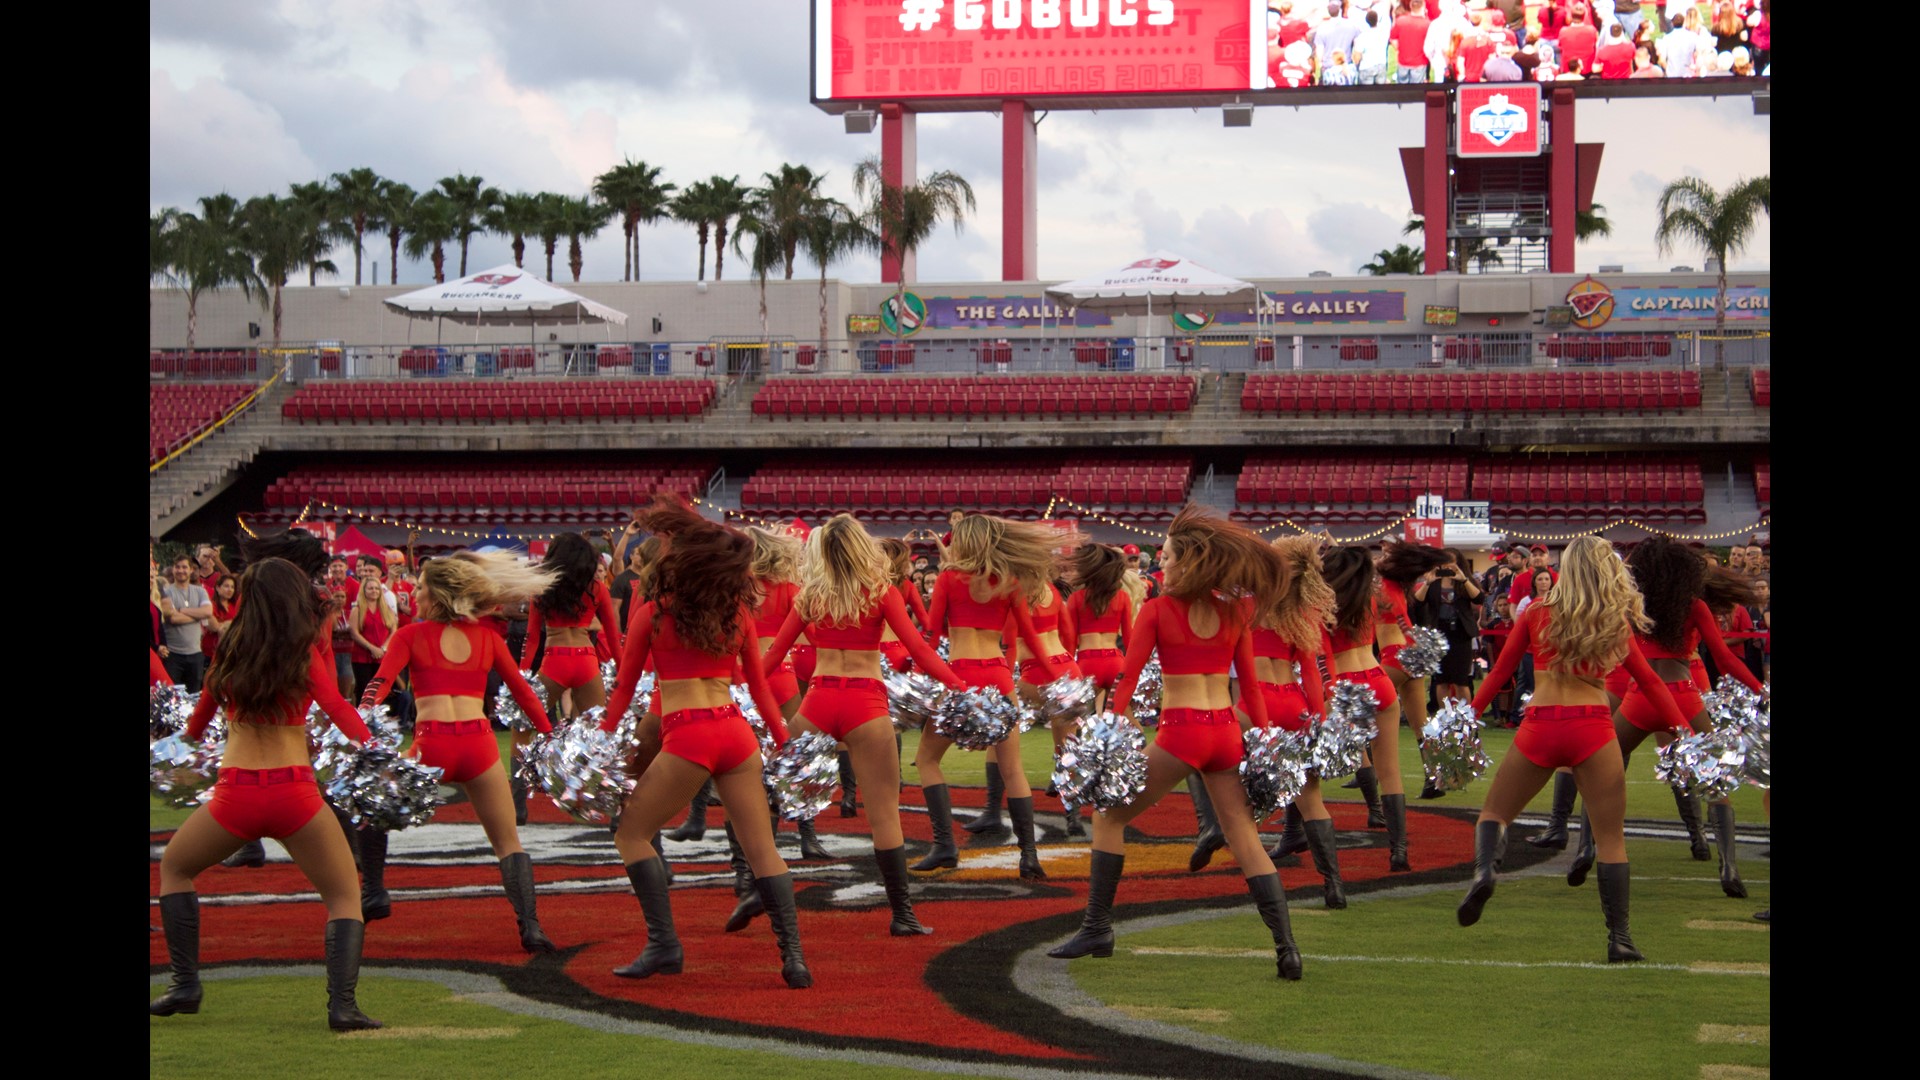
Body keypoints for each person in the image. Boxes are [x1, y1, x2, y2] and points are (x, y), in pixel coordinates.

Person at [1047, 507, 1305, 980]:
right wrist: (1265, 739)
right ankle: (1287, 948)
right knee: (1247, 840)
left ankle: (1097, 928)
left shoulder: (1157, 610)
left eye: (1165, 557)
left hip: (1183, 732)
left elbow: (1127, 679)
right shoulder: (1235, 612)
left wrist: (1110, 727)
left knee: (1108, 817)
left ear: (1187, 563)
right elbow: (1250, 688)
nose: (1160, 564)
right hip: (1226, 732)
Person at [151, 558, 382, 1030]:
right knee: (343, 897)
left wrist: (172, 749)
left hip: (235, 795)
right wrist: (376, 749)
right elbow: (337, 707)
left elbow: (197, 725)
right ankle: (342, 1006)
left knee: (175, 868)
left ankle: (185, 984)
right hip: (294, 794)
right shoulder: (302, 651)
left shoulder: (230, 649)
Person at [597, 496, 811, 987]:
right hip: (736, 734)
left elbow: (625, 689)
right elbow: (759, 689)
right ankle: (795, 960)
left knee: (630, 834)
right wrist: (784, 742)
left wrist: (603, 738)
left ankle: (664, 945)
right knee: (764, 851)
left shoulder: (652, 613)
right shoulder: (737, 614)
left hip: (689, 736)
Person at [1457, 536, 1687, 962]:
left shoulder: (1536, 611)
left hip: (1541, 723)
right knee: (1611, 839)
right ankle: (1620, 938)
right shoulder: (1612, 618)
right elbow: (1651, 682)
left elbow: (1501, 672)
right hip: (1593, 728)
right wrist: (1684, 730)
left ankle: (1486, 871)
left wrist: (1468, 716)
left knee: (1494, 814)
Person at [758, 515, 967, 936]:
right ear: (860, 547)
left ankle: (754, 886)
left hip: (818, 703)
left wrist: (738, 690)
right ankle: (902, 915)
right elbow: (919, 650)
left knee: (771, 798)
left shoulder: (810, 595)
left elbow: (774, 654)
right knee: (884, 815)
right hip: (865, 704)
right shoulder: (881, 592)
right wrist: (960, 686)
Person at [359, 551, 559, 951]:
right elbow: (524, 693)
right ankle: (531, 927)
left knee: (370, 803)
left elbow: (380, 683)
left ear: (437, 595)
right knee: (508, 842)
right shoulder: (488, 638)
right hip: (479, 746)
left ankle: (375, 892)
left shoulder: (409, 635)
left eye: (420, 588)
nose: (414, 594)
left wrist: (361, 717)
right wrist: (550, 735)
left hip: (431, 747)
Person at [1581, 537, 1766, 896]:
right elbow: (1724, 658)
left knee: (1598, 770)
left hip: (1640, 698)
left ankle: (1586, 848)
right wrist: (1761, 690)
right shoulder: (1695, 606)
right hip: (1684, 698)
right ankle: (1728, 865)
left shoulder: (1630, 604)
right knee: (1716, 784)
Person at [918, 515, 1073, 877]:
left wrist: (917, 671)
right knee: (1013, 769)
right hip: (999, 679)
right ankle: (1029, 855)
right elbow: (1030, 638)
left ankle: (944, 845)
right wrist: (1059, 681)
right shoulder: (1010, 583)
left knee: (926, 759)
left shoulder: (948, 579)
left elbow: (932, 632)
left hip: (961, 677)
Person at [1242, 538, 1345, 909]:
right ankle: (1334, 884)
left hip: (1255, 703)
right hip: (1294, 703)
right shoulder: (1302, 611)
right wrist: (1318, 721)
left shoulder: (1248, 603)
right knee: (1312, 801)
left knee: (1231, 791)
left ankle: (1234, 851)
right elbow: (1312, 675)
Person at [1321, 547, 1414, 869]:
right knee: (1391, 771)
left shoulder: (1324, 606)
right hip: (1378, 679)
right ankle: (1399, 850)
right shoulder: (1369, 599)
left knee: (1309, 759)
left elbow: (1322, 657)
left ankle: (1295, 828)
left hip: (1345, 683)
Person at [160, 556, 213, 692]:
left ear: (191, 570)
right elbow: (173, 619)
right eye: (177, 567)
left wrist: (182, 610)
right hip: (172, 655)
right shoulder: (166, 592)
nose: (181, 570)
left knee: (194, 694)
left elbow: (208, 612)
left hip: (195, 654)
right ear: (173, 569)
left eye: (184, 567)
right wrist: (197, 615)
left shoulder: (200, 591)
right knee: (172, 694)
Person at [346, 572, 397, 701]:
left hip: (382, 656)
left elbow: (393, 631)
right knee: (364, 690)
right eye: (370, 588)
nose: (374, 591)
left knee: (381, 691)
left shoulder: (386, 609)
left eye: (376, 588)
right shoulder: (357, 609)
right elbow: (354, 632)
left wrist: (383, 648)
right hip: (362, 657)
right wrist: (371, 648)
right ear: (364, 591)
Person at [1392, 0, 1432, 82]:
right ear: (1423, 7)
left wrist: (1400, 49)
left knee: (1402, 86)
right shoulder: (1427, 24)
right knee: (1416, 88)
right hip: (1419, 63)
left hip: (1403, 61)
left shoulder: (1400, 21)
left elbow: (1393, 39)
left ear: (1411, 6)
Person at [203, 574, 240, 662]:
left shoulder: (235, 606)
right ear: (217, 588)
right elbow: (214, 627)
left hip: (230, 650)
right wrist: (231, 624)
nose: (230, 590)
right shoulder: (209, 605)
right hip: (210, 651)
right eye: (226, 586)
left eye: (232, 587)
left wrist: (223, 625)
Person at [1555, 5, 1599, 75]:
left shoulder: (1563, 31)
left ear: (1571, 16)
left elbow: (1560, 47)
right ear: (1584, 17)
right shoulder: (1592, 30)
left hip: (1570, 70)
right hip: (1586, 70)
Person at [1656, 11, 1701, 76]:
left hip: (1673, 75)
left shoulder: (1667, 38)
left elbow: (1662, 60)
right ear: (1684, 22)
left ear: (1672, 23)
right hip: (1689, 74)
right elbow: (1699, 54)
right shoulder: (1693, 36)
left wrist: (1669, 71)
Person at [1354, 9, 1391, 82]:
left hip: (1366, 66)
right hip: (1381, 65)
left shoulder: (1363, 37)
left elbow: (1357, 56)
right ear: (1377, 20)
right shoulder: (1384, 33)